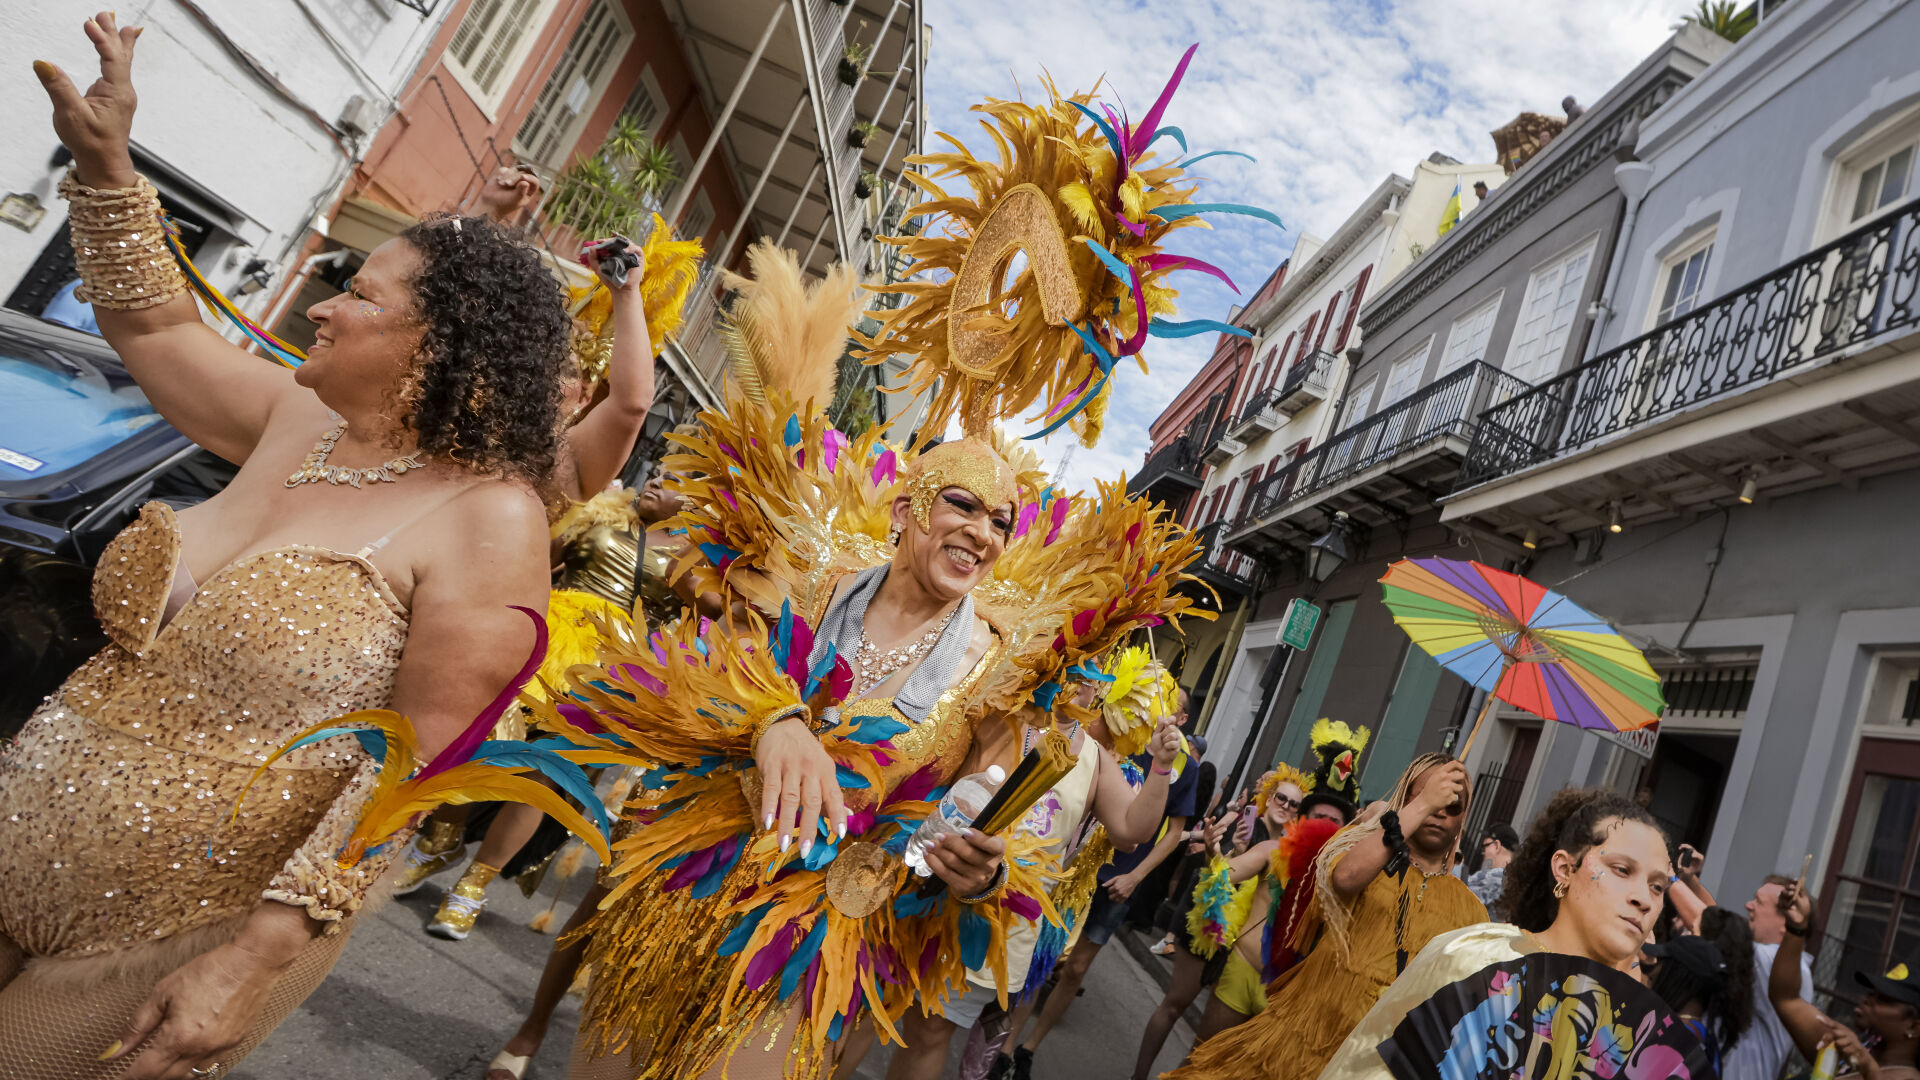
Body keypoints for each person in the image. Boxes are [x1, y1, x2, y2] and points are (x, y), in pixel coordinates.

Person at [4, 15, 573, 1079]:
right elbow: (162, 330)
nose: (320, 306)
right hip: (21, 830)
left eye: (359, 295)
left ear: (436, 347)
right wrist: (107, 164)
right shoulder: (298, 426)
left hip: (179, 929)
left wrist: (252, 960)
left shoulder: (490, 518)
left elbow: (405, 772)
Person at [880, 663, 1186, 1080]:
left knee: (930, 1029)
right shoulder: (1002, 714)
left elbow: (1131, 830)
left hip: (996, 924)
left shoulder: (1091, 756)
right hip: (929, 885)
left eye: (1090, 682)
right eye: (1073, 673)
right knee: (874, 1006)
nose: (1078, 690)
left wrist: (1161, 766)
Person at [1315, 786, 1695, 1079]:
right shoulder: (1475, 960)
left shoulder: (1631, 1029)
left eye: (1658, 887)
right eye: (1622, 870)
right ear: (1564, 869)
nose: (1643, 899)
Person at [1166, 752, 1484, 1080]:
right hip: (1297, 1045)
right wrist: (1421, 805)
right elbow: (1346, 878)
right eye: (1430, 797)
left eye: (1453, 805)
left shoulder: (1471, 912)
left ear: (1463, 818)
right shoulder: (1363, 857)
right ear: (1406, 800)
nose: (1439, 811)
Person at [1007, 688, 1199, 1078]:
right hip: (1069, 872)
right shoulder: (1104, 733)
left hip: (1119, 879)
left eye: (1169, 706)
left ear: (1181, 719)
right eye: (1150, 699)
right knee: (1038, 963)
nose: (1152, 709)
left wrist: (1135, 876)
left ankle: (1029, 1047)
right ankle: (1005, 1049)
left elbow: (1169, 832)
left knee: (1075, 968)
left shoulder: (1182, 765)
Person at [1771, 880, 1920, 1080]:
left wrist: (1868, 1068)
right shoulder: (1844, 1054)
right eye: (1871, 993)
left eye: (1884, 1000)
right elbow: (1786, 999)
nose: (1868, 999)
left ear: (1913, 1027)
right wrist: (1797, 928)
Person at [1722, 873, 1817, 1080]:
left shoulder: (1779, 963)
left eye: (1758, 902)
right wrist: (1691, 882)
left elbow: (1709, 924)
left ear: (1787, 922)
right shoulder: (1768, 956)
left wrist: (1672, 881)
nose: (1748, 905)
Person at [1466, 822, 1518, 913]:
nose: (1483, 853)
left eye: (1484, 847)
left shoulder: (1492, 877)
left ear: (1496, 846)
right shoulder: (1517, 882)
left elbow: (1452, 895)